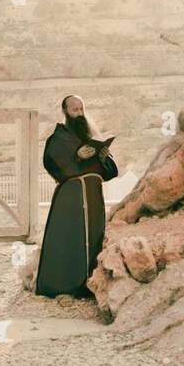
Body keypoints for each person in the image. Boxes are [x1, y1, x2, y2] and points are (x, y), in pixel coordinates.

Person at [35, 95, 118, 298]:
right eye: (75, 110)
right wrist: (77, 156)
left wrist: (102, 156)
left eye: (81, 109)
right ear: (65, 112)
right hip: (70, 198)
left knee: (93, 237)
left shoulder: (90, 137)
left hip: (93, 195)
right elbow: (52, 164)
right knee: (69, 239)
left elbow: (108, 171)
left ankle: (88, 284)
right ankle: (64, 286)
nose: (79, 113)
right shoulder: (57, 139)